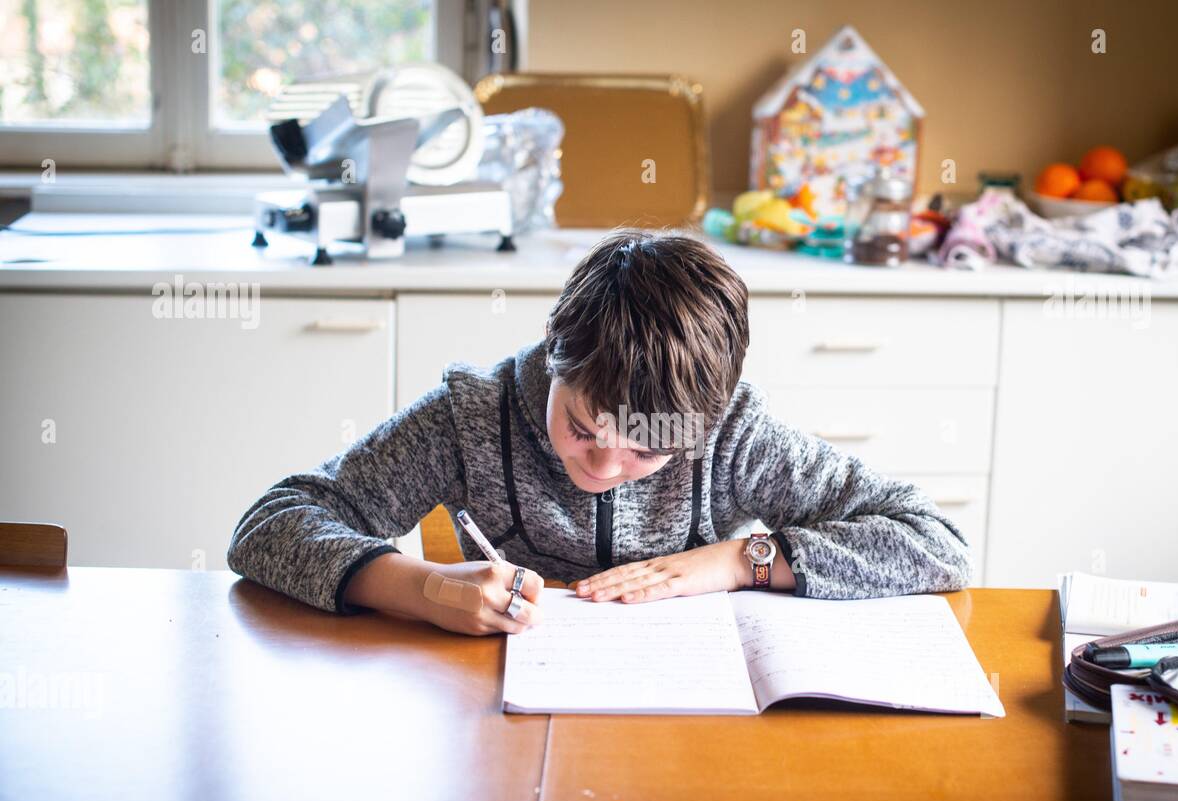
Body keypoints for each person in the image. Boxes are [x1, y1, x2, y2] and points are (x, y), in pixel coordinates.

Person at [227, 227, 971, 635]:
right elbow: (269, 525)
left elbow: (936, 544)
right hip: (505, 730)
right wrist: (420, 588)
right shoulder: (470, 418)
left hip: (691, 736)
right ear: (555, 343)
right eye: (582, 427)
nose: (607, 464)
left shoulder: (734, 433)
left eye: (648, 447)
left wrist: (744, 559)